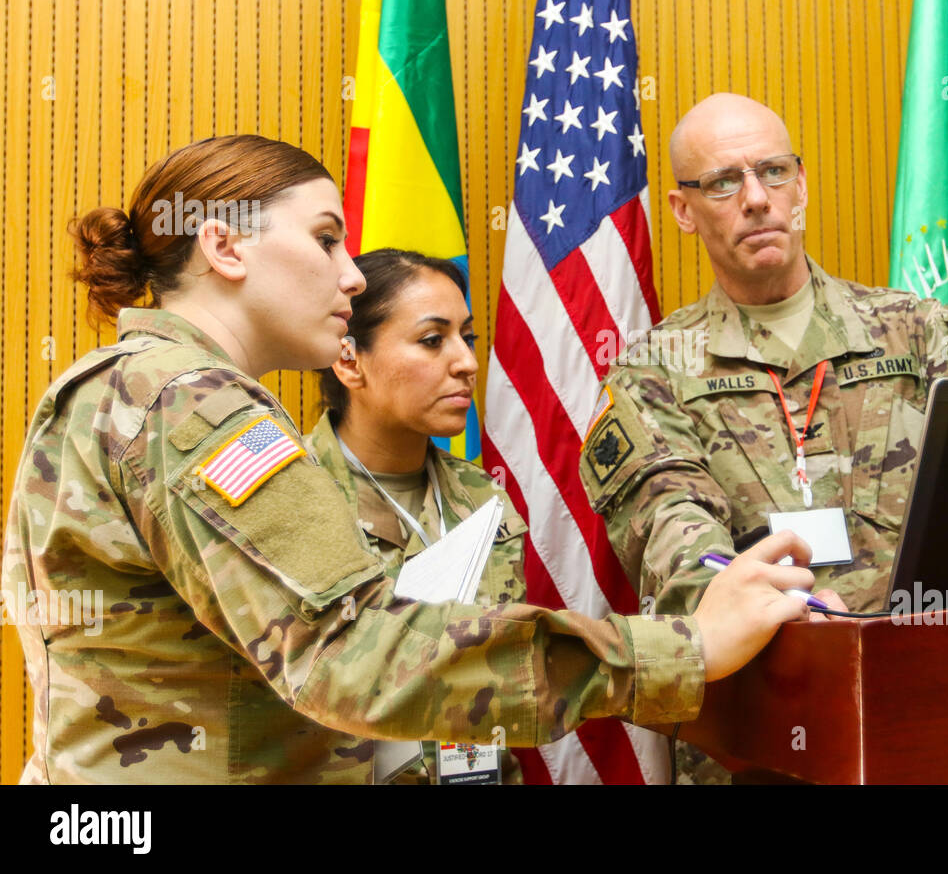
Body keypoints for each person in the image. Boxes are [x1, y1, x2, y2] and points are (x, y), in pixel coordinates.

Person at [0, 133, 816, 784]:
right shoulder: (194, 403)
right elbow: (353, 655)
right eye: (324, 239)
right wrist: (686, 647)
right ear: (225, 246)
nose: (351, 276)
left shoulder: (107, 385)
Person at [579, 94, 948, 782]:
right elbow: (677, 543)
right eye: (726, 182)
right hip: (762, 739)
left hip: (936, 721)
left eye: (774, 171)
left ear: (803, 185)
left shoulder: (918, 330)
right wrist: (783, 612)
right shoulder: (654, 372)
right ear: (682, 210)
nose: (758, 199)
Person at [306, 248, 526, 784]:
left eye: (467, 338)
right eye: (433, 340)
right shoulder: (294, 497)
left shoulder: (482, 497)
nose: (467, 362)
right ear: (349, 359)